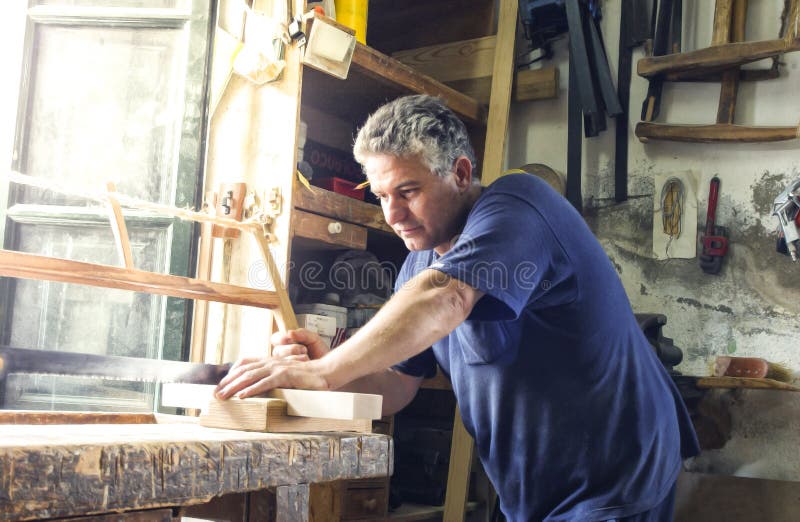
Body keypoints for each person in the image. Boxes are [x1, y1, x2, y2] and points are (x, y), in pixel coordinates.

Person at [215, 94, 699, 521]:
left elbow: (446, 297)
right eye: (381, 196)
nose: (393, 215)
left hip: (614, 477)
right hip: (535, 492)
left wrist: (322, 374)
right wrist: (331, 369)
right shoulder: (420, 263)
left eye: (408, 192)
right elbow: (397, 385)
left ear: (461, 173)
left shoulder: (518, 207)